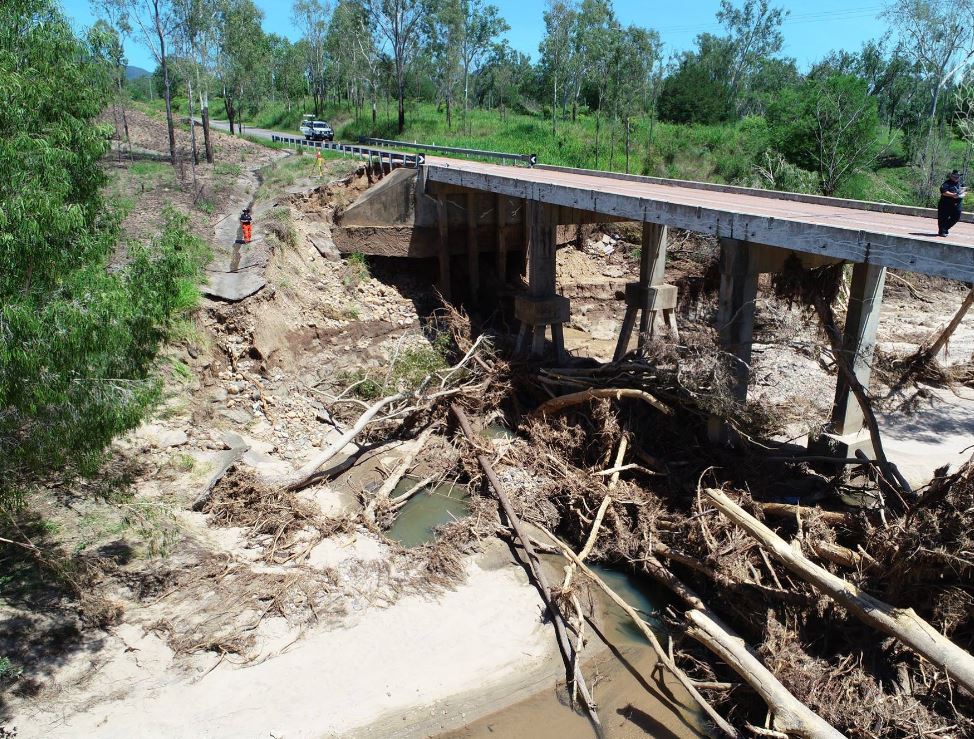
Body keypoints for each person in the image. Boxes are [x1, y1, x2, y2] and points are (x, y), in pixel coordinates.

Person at [938, 169, 965, 237]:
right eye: (955, 176)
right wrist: (953, 195)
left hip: (957, 203)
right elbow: (944, 192)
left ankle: (945, 228)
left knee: (956, 217)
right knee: (943, 218)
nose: (957, 177)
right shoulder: (946, 183)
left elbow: (964, 190)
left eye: (958, 176)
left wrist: (963, 194)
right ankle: (942, 231)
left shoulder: (961, 183)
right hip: (946, 204)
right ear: (951, 176)